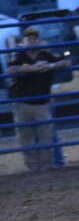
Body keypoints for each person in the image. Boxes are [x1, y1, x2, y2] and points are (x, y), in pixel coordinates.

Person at [6, 26, 68, 172]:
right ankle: (33, 167)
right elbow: (11, 70)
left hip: (41, 101)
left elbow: (66, 61)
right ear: (24, 41)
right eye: (29, 38)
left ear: (39, 40)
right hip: (22, 101)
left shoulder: (45, 54)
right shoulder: (18, 55)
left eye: (35, 38)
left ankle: (45, 166)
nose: (32, 41)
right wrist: (33, 68)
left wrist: (51, 65)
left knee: (44, 135)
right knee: (26, 136)